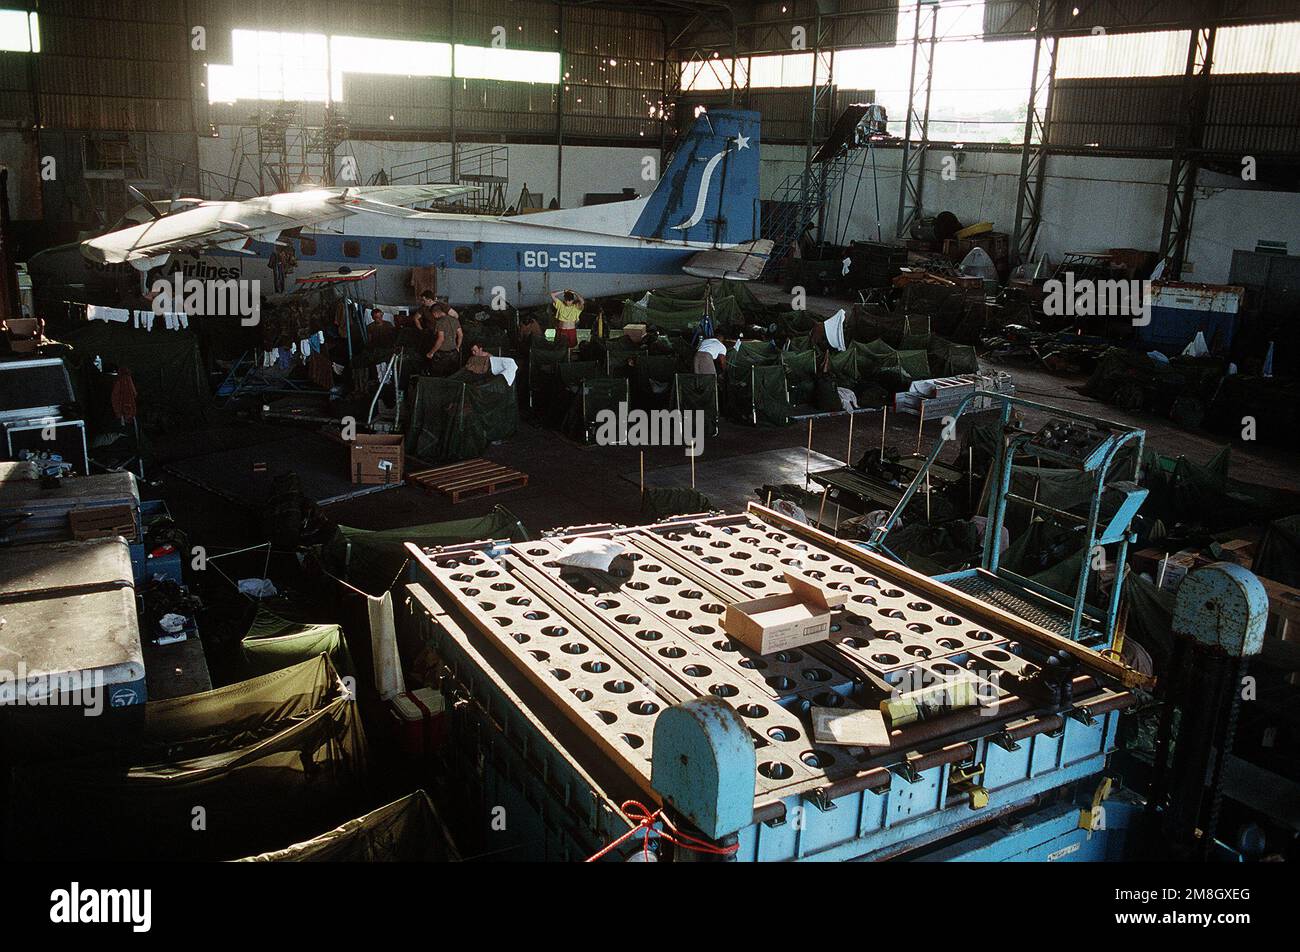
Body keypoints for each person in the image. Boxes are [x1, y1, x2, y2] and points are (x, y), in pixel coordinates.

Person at [425, 300, 463, 376]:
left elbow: (440, 339)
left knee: (437, 376)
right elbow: (461, 335)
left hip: (442, 355)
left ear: (435, 313)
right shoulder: (454, 320)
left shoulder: (440, 323)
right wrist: (458, 346)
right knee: (451, 376)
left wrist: (431, 352)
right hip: (454, 353)